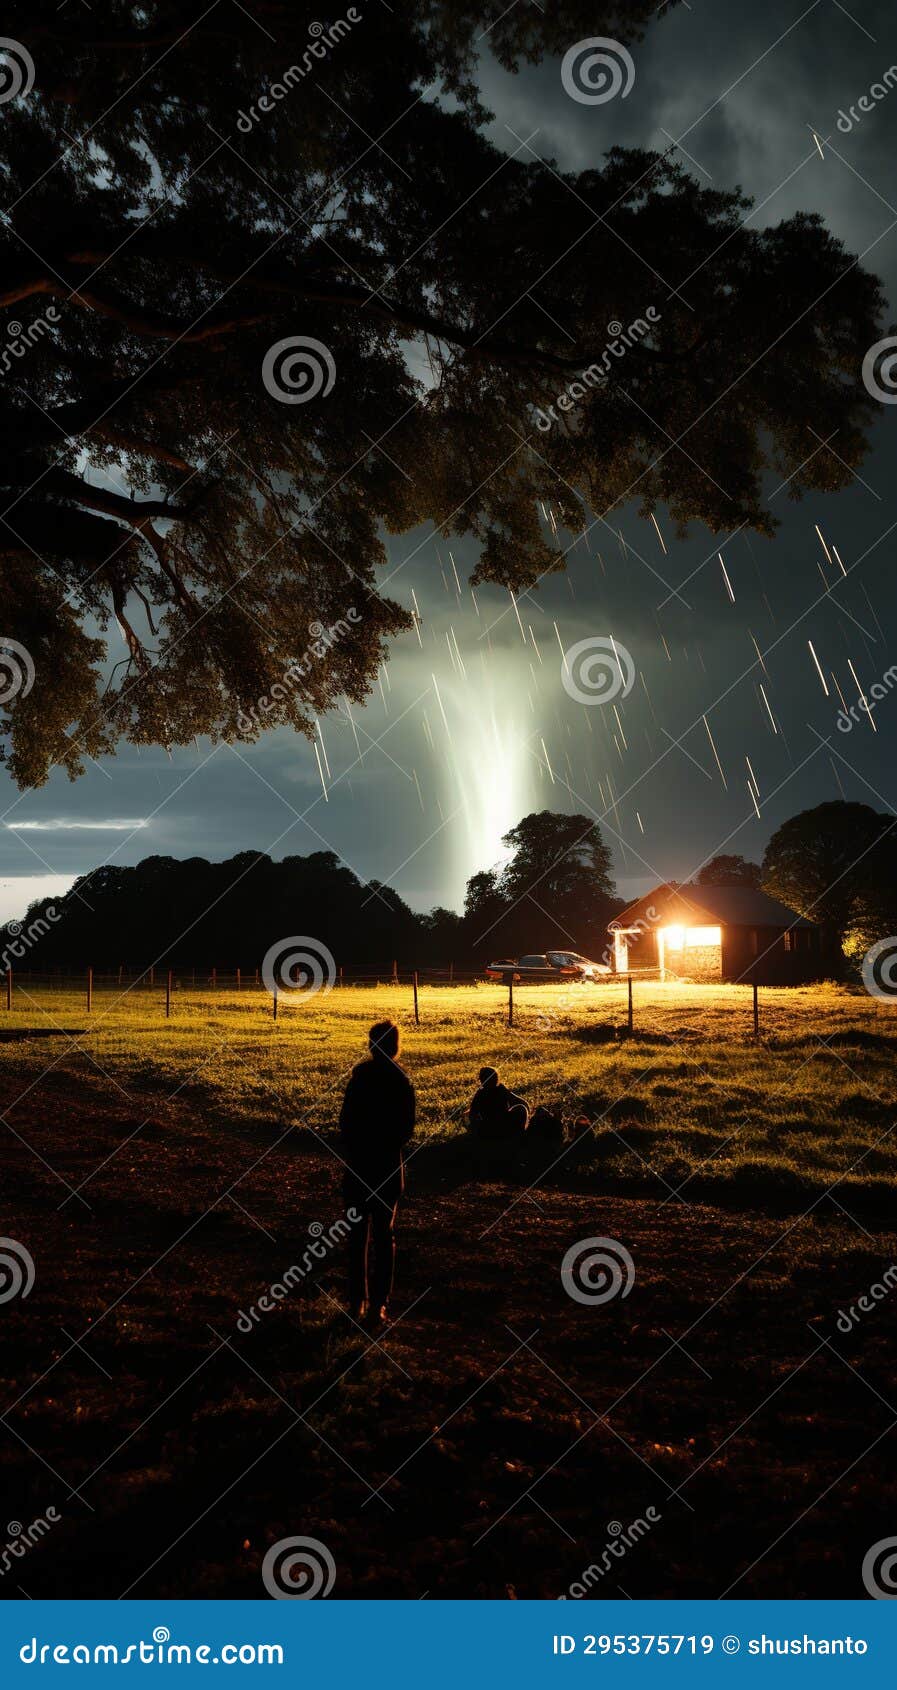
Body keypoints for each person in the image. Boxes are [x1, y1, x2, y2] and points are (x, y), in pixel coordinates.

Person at [338, 1019, 415, 1327]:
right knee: (385, 1236)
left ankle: (358, 1300)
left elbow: (346, 1121)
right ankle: (379, 1305)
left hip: (359, 1164)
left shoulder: (359, 1079)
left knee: (357, 1236)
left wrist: (358, 1145)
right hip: (386, 1166)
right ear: (395, 1046)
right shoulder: (401, 1081)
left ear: (371, 1045)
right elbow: (405, 1129)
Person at [469, 1066, 529, 1140]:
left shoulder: (480, 1093)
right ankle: (520, 1134)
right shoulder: (500, 1089)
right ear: (496, 1078)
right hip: (505, 1124)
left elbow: (472, 1114)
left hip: (489, 1128)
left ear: (481, 1080)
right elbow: (520, 1101)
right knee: (521, 1108)